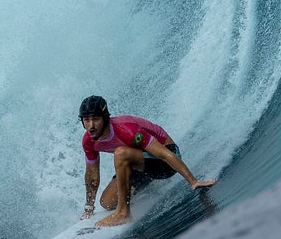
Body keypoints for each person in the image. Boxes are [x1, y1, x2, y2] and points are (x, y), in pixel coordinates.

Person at [77, 95, 216, 227]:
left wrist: (193, 181)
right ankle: (140, 187)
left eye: (95, 119)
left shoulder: (127, 130)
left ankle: (123, 213)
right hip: (139, 164)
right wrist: (89, 207)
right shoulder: (88, 141)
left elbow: (165, 154)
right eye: (86, 120)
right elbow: (92, 176)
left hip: (165, 163)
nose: (91, 125)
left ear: (105, 118)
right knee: (106, 203)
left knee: (120, 153)